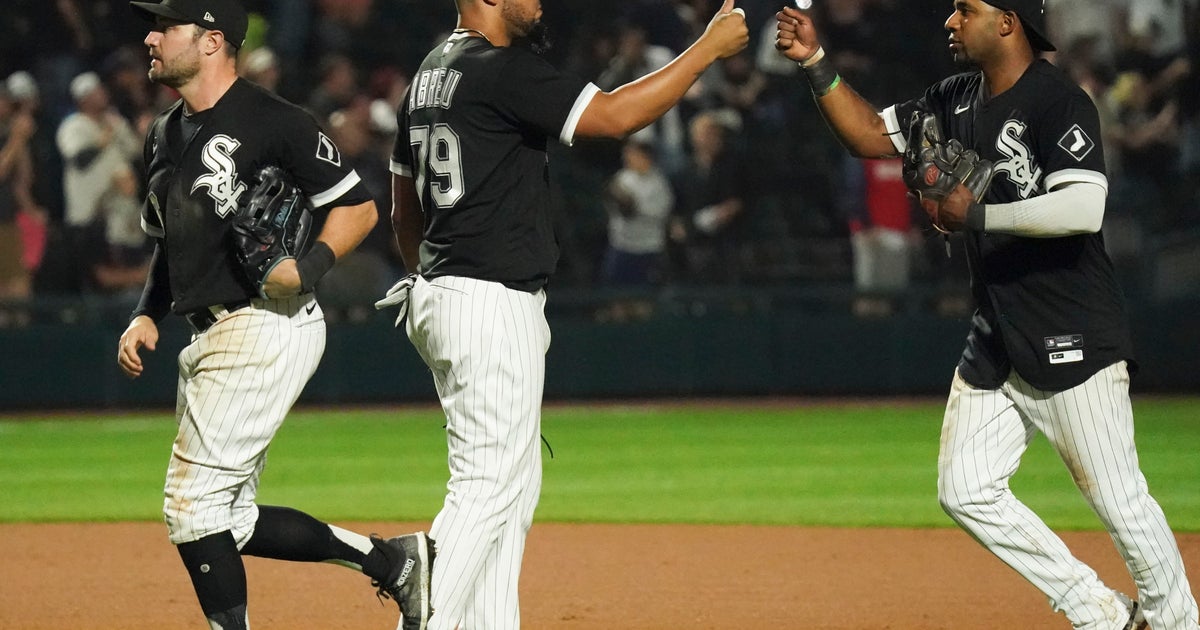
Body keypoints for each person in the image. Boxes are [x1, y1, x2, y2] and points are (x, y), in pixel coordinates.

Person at [776, 1, 1199, 628]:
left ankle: (1176, 619)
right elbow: (868, 133)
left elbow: (1083, 208)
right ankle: (1101, 613)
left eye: (964, 9)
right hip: (997, 334)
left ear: (1008, 22)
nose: (950, 21)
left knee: (1117, 498)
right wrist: (814, 61)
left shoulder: (1059, 102)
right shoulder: (951, 99)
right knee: (965, 489)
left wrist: (978, 215)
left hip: (1070, 330)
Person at [382, 1, 747, 627]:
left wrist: (436, 277)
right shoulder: (499, 67)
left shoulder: (427, 75)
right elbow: (614, 116)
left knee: (512, 492)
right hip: (487, 297)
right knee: (488, 486)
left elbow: (402, 210)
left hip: (447, 292)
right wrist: (706, 50)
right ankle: (425, 604)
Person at [114, 2, 431, 629]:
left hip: (266, 320)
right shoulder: (164, 132)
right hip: (212, 332)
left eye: (163, 27)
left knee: (192, 510)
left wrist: (306, 267)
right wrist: (146, 311)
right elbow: (167, 241)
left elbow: (358, 209)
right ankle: (393, 562)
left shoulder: (276, 121)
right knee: (228, 518)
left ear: (211, 42)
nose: (148, 36)